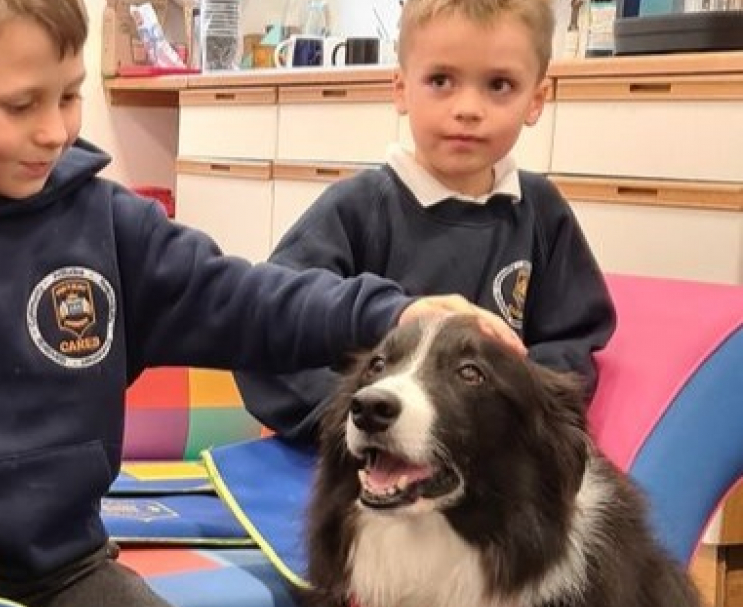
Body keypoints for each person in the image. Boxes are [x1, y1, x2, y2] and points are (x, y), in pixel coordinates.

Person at [0, 1, 522, 607]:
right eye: (20, 106)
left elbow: (245, 300)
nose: (55, 131)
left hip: (67, 574)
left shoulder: (104, 220)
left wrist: (388, 315)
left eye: (70, 95)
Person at [236, 0, 616, 445]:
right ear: (400, 88)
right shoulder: (357, 208)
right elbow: (271, 329)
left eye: (499, 84)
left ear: (535, 100)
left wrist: (514, 423)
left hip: (480, 473)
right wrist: (353, 421)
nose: (468, 108)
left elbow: (569, 344)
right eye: (441, 80)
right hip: (360, 461)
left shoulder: (541, 212)